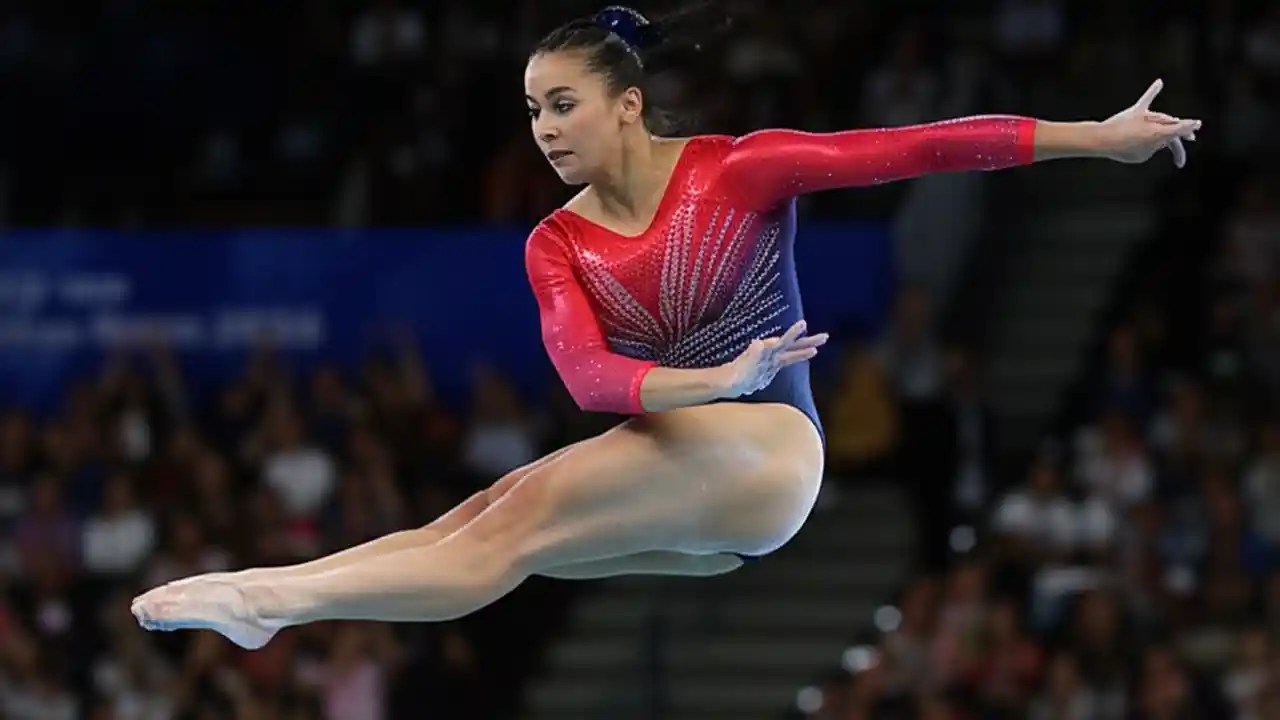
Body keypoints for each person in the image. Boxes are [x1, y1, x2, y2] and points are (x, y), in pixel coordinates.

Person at [129, 4, 1201, 650]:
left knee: (513, 527)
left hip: (767, 453)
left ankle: (269, 596)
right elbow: (590, 380)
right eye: (533, 111)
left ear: (628, 105)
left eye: (563, 105)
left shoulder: (738, 170)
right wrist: (709, 379)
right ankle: (279, 609)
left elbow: (918, 146)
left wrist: (1094, 137)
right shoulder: (556, 241)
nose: (545, 130)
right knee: (484, 518)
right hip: (689, 451)